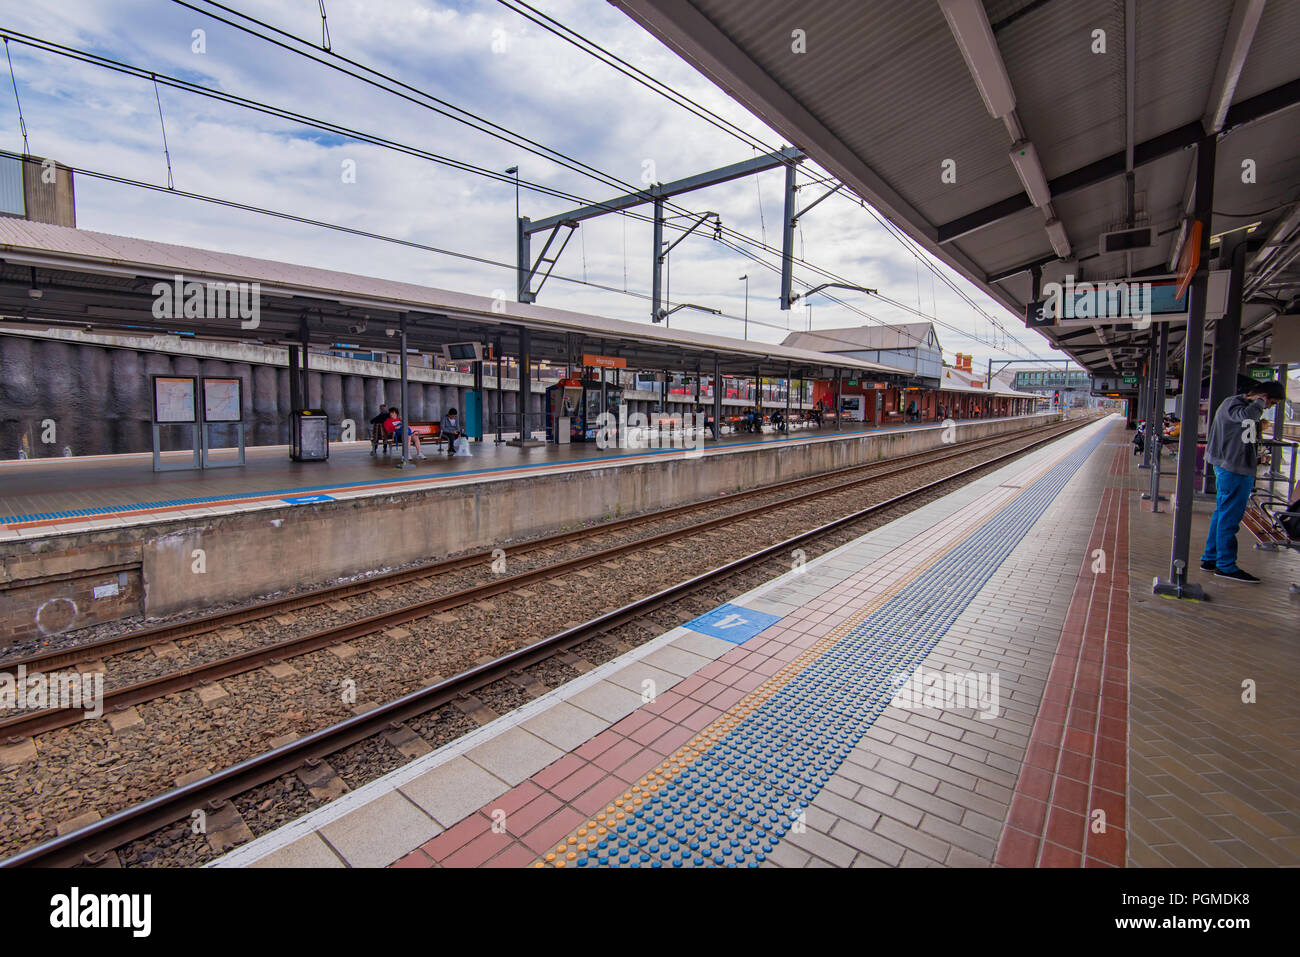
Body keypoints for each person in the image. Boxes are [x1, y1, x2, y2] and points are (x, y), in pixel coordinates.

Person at [1199, 380, 1286, 582]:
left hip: (1236, 468)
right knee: (1229, 518)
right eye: (1271, 402)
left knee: (1223, 514)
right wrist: (1259, 403)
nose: (1269, 407)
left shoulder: (1241, 406)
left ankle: (1210, 558)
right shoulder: (1235, 404)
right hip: (1233, 469)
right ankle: (1226, 565)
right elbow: (1245, 417)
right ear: (1263, 395)